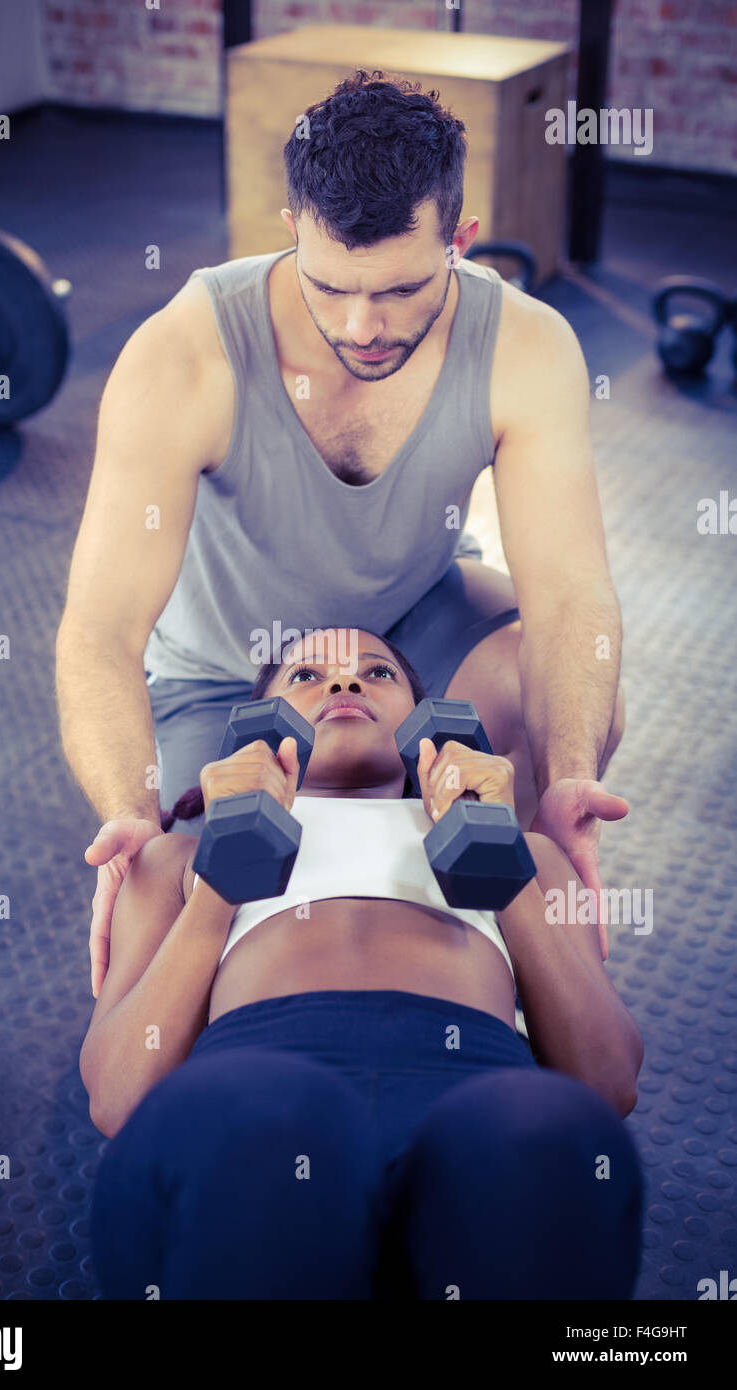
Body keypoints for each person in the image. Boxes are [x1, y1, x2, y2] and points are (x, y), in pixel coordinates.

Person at [55, 71, 628, 1003]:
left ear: (461, 240)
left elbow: (571, 594)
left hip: (411, 624)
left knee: (555, 695)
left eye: (402, 290)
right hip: (225, 667)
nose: (362, 328)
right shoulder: (183, 357)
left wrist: (567, 778)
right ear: (291, 228)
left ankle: (487, 947)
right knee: (189, 876)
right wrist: (128, 811)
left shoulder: (525, 345)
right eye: (331, 288)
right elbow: (99, 630)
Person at [83, 628, 644, 1301]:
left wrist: (505, 869)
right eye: (306, 677)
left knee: (547, 1130)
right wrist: (219, 887)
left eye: (376, 674)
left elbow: (606, 1083)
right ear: (258, 733)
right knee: (263, 1116)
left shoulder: (529, 858)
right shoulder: (175, 862)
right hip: (257, 1104)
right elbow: (118, 1098)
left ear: (427, 726)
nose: (345, 684)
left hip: (469, 1093)